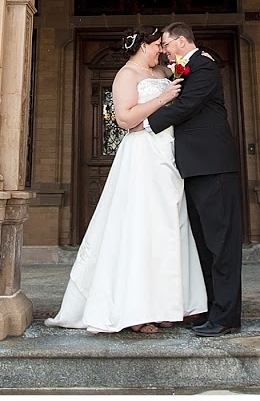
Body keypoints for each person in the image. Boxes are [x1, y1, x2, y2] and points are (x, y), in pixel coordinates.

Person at [45, 27, 208, 334]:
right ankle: (135, 312)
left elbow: (187, 73)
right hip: (143, 154)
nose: (161, 50)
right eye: (157, 45)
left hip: (168, 153)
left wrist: (201, 60)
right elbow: (124, 119)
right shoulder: (126, 75)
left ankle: (166, 305)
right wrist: (161, 98)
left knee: (168, 227)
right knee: (141, 228)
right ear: (143, 46)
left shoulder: (162, 70)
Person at [146, 22, 244, 335]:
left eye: (165, 43)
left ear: (181, 40)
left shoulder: (204, 66)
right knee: (204, 243)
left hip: (214, 165)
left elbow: (188, 105)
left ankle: (226, 317)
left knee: (221, 243)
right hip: (193, 166)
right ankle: (212, 310)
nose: (162, 49)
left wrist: (145, 123)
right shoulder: (181, 69)